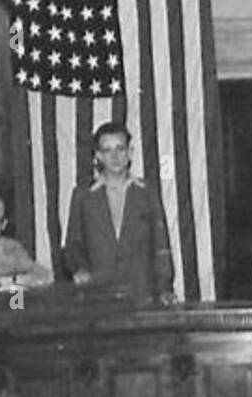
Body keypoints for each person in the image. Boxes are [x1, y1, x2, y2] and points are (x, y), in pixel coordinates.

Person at [62, 122, 175, 304]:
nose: (114, 157)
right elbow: (72, 246)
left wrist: (165, 289)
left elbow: (161, 248)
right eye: (107, 151)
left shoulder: (147, 193)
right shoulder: (83, 195)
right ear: (98, 156)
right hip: (98, 297)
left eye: (120, 149)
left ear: (130, 153)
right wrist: (79, 269)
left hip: (142, 295)